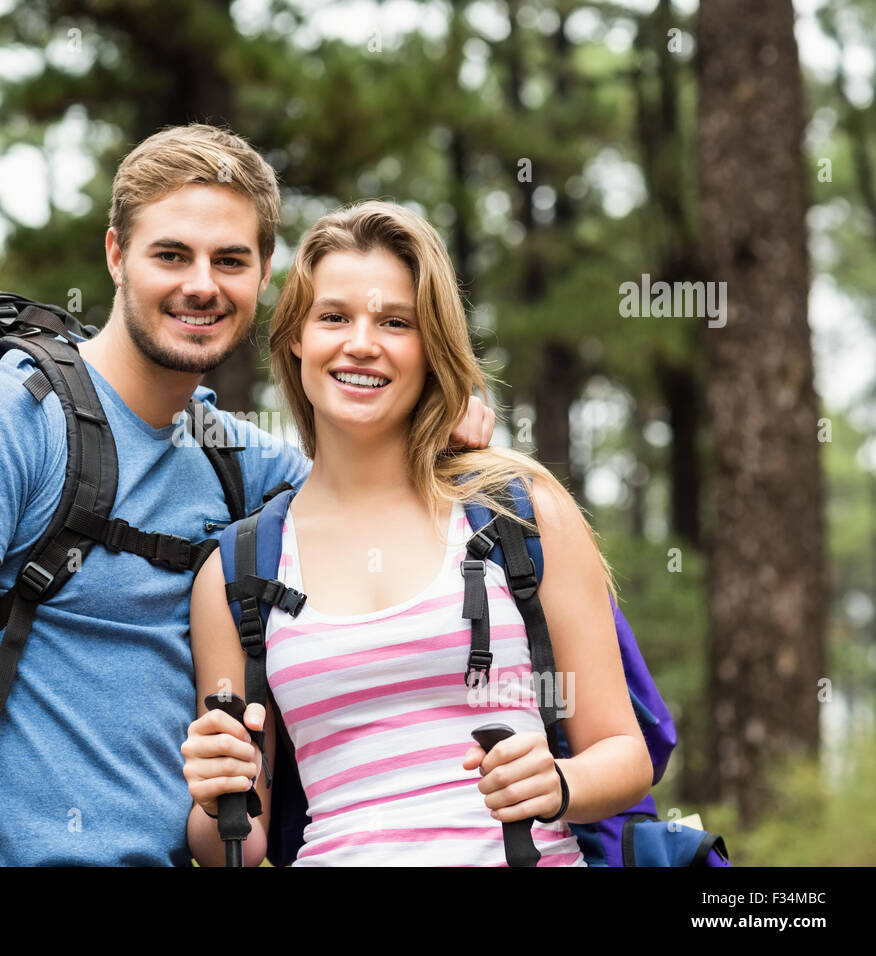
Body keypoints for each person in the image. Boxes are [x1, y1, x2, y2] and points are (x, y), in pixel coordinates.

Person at [0, 126, 495, 866]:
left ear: (264, 277)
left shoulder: (246, 468)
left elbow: (367, 496)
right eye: (171, 254)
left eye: (230, 260)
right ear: (115, 256)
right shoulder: (0, 419)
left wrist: (439, 415)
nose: (202, 283)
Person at [182, 200, 653, 866]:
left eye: (394, 322)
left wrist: (557, 782)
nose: (362, 342)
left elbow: (626, 756)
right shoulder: (237, 569)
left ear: (430, 346)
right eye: (334, 317)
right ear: (296, 337)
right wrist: (213, 796)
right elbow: (236, 842)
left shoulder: (521, 512)